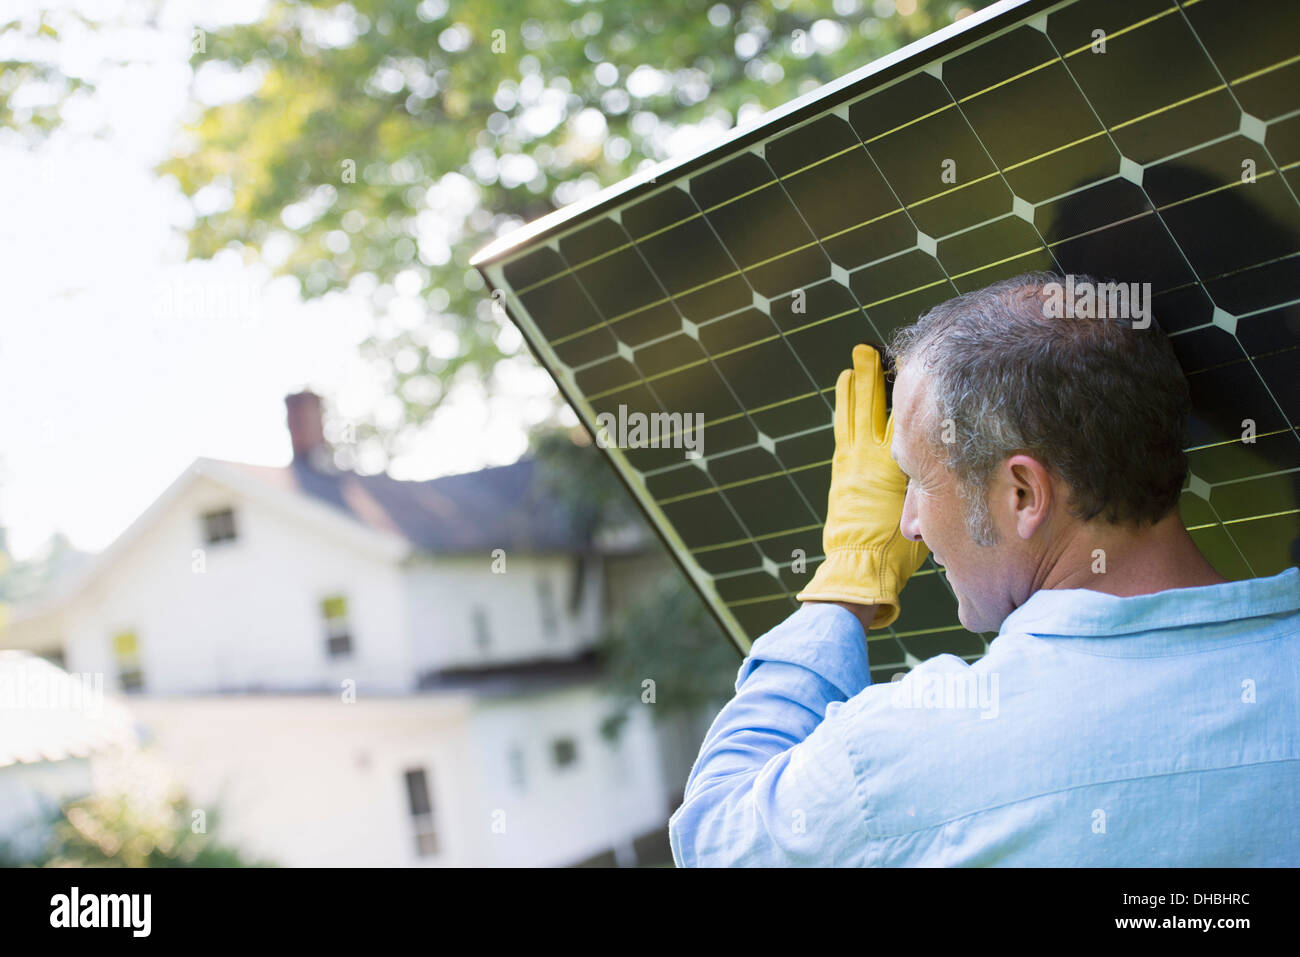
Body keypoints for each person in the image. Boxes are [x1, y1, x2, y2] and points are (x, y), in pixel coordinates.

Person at [668, 271, 1300, 866]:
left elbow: (717, 839)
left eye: (914, 479)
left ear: (1022, 494)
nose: (907, 521)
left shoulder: (908, 752)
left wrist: (846, 582)